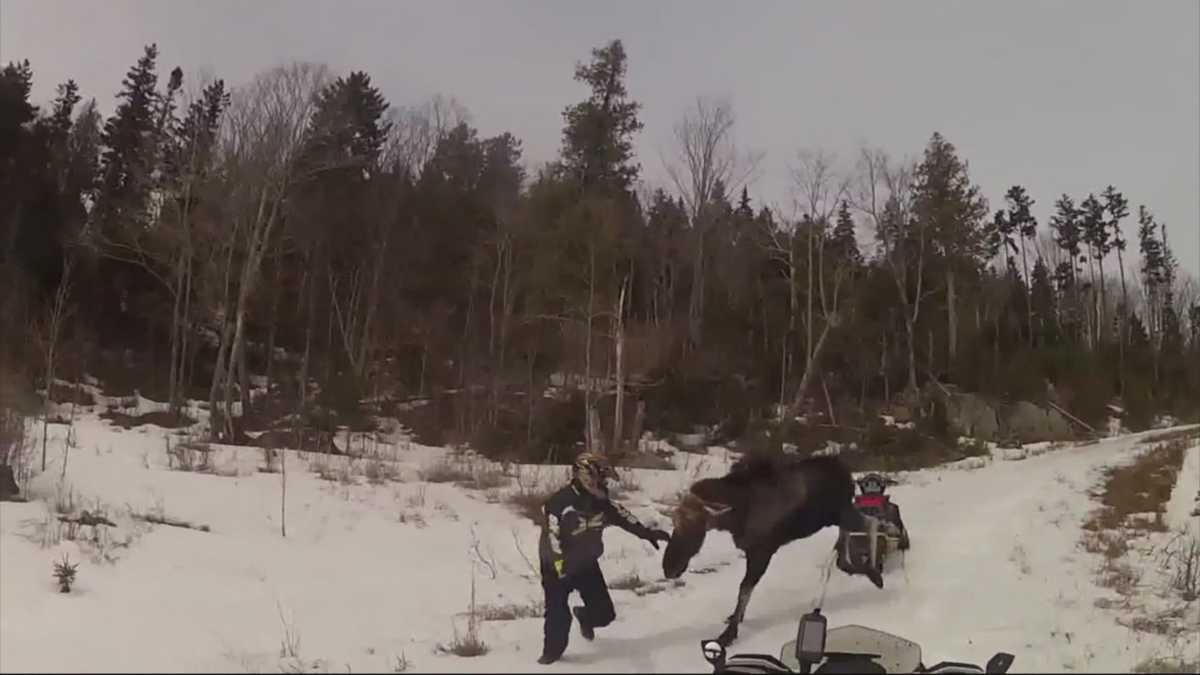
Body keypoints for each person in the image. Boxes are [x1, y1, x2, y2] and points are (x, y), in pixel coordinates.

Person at [537, 452, 671, 665]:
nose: (604, 484)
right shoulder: (560, 502)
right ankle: (551, 656)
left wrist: (647, 533)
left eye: (605, 480)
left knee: (605, 614)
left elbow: (624, 517)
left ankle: (585, 616)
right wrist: (561, 568)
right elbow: (553, 539)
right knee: (557, 615)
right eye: (601, 479)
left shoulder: (602, 502)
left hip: (585, 563)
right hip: (556, 566)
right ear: (586, 476)